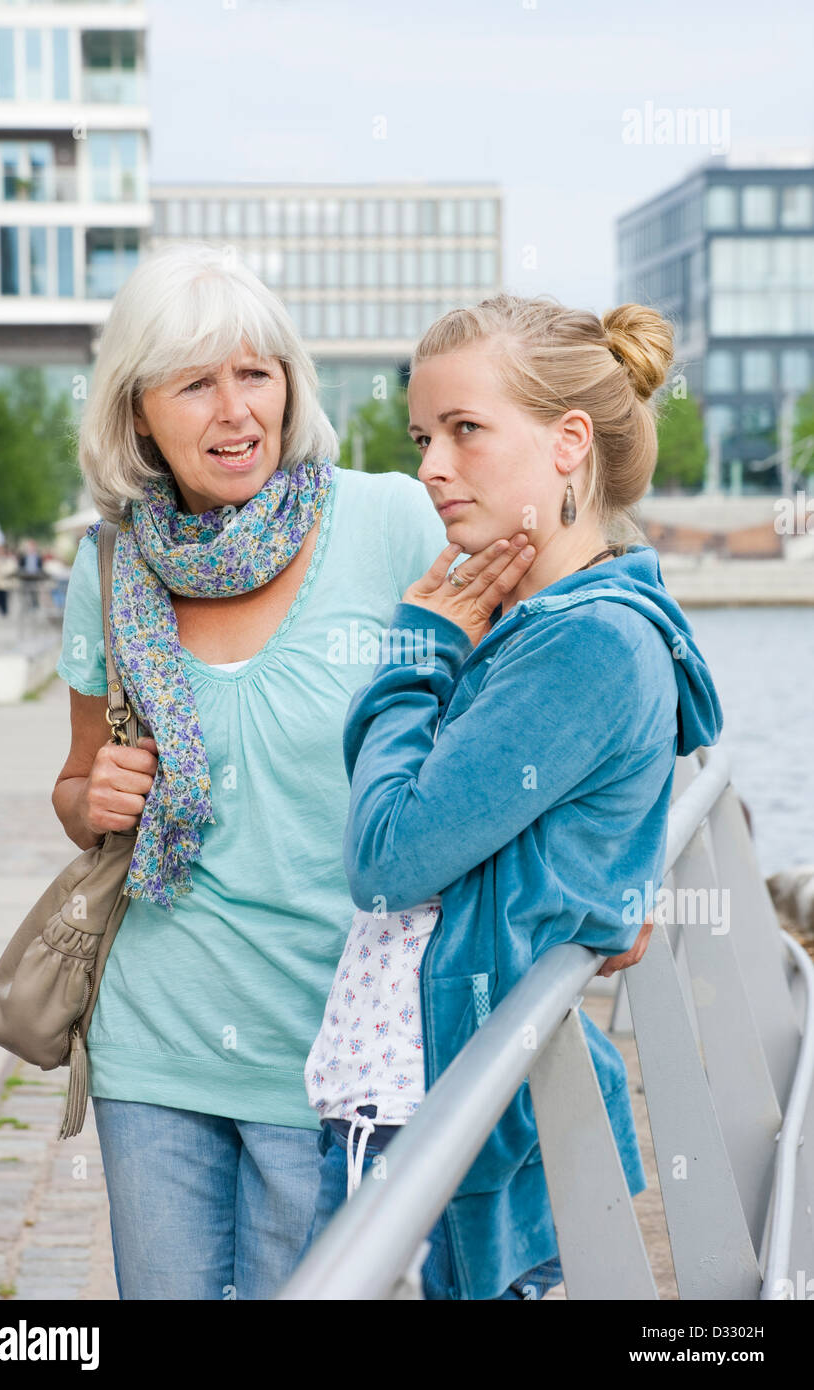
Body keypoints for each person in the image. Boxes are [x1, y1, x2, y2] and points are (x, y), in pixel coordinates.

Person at [52, 241, 470, 1300]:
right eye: (195, 382)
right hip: (157, 1042)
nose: (235, 410)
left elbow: (534, 682)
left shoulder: (388, 523)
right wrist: (90, 796)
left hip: (339, 1048)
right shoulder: (110, 566)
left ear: (291, 384)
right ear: (138, 412)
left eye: (256, 373)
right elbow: (73, 785)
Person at [302, 294, 723, 1300]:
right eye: (421, 436)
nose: (429, 467)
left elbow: (388, 856)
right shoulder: (545, 622)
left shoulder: (578, 642)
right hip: (453, 1102)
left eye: (464, 430)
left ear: (567, 443)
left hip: (449, 1117)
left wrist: (414, 647)